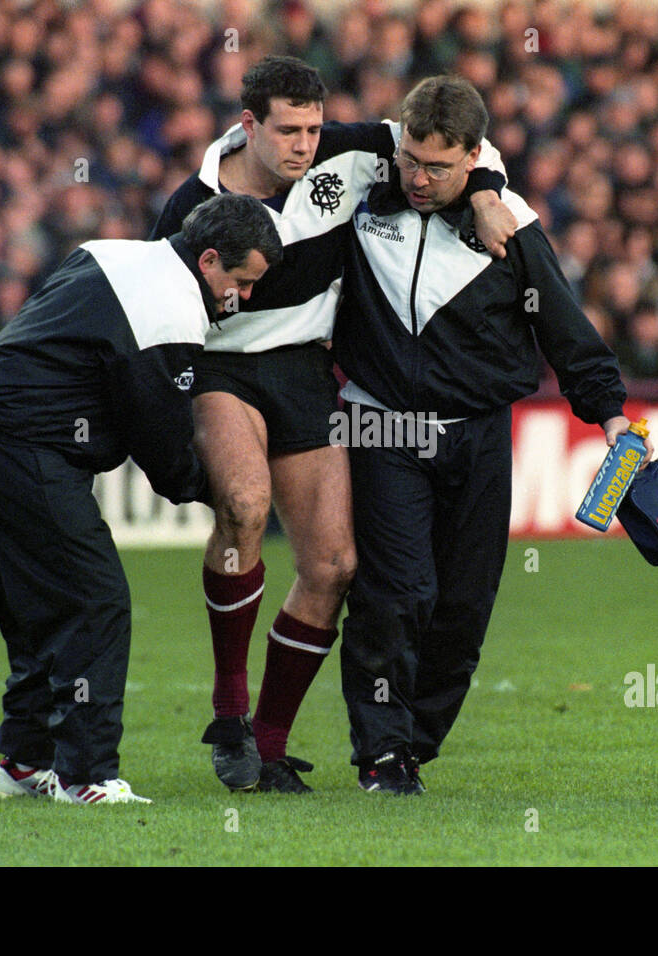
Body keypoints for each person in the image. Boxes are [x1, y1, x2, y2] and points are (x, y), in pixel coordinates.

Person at [148, 55, 518, 793]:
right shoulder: (192, 206)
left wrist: (484, 193)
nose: (305, 145)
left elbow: (457, 140)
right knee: (246, 505)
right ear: (248, 126)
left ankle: (268, 744)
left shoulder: (352, 153)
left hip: (306, 374)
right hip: (225, 370)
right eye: (288, 130)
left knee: (335, 567)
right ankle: (229, 710)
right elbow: (164, 318)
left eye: (314, 128)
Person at [332, 76, 651, 794]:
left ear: (473, 157)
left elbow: (564, 328)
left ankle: (413, 743)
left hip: (478, 435)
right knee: (395, 594)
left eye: (438, 167)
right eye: (410, 159)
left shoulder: (511, 227)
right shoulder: (364, 194)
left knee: (463, 607)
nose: (417, 177)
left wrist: (610, 418)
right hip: (382, 426)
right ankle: (381, 752)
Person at [0, 194, 281, 805]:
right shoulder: (172, 310)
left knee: (38, 605)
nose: (243, 297)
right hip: (28, 442)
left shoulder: (113, 254)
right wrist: (216, 492)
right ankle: (87, 776)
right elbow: (159, 440)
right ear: (208, 260)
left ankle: (26, 763)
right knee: (95, 601)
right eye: (240, 282)